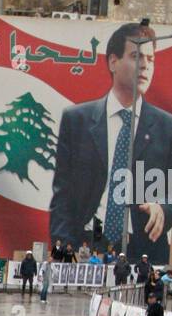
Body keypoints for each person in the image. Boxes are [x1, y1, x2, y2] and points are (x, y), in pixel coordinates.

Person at [50, 23, 172, 263]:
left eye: (151, 59)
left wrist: (163, 208)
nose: (145, 65)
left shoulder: (166, 127)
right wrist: (61, 251)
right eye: (136, 56)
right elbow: (62, 196)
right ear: (113, 62)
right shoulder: (77, 120)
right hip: (86, 244)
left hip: (143, 248)